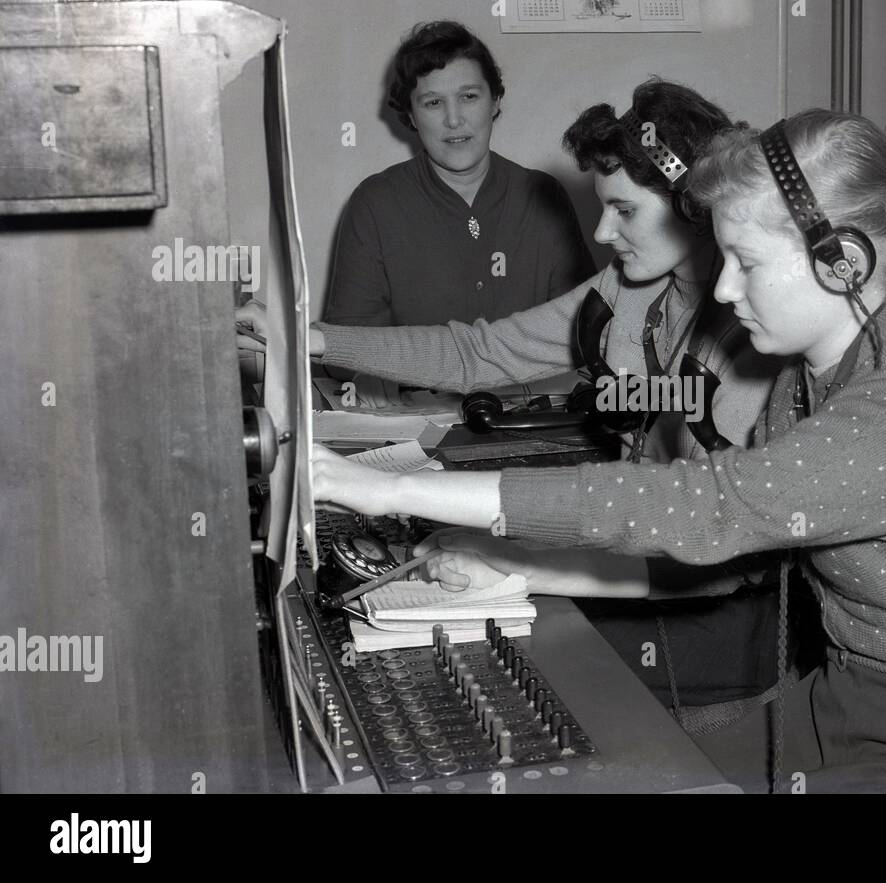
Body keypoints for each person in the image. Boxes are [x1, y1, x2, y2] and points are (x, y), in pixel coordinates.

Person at [310, 109, 886, 794]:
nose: (725, 288)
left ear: (843, 262)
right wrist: (513, 563)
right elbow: (717, 560)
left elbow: (698, 506)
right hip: (840, 705)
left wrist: (390, 491)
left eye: (748, 262)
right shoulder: (811, 374)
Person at [238, 79, 791, 714]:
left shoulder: (755, 337)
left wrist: (519, 564)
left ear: (697, 207)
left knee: (512, 669)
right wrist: (307, 339)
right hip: (640, 554)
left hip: (717, 609)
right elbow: (479, 353)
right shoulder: (626, 291)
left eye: (626, 211)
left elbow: (717, 543)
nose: (605, 230)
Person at [324, 20, 594, 327]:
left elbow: (584, 331)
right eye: (434, 102)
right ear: (412, 115)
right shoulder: (374, 204)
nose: (453, 120)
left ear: (495, 101)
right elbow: (344, 352)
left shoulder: (544, 195)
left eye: (468, 97)